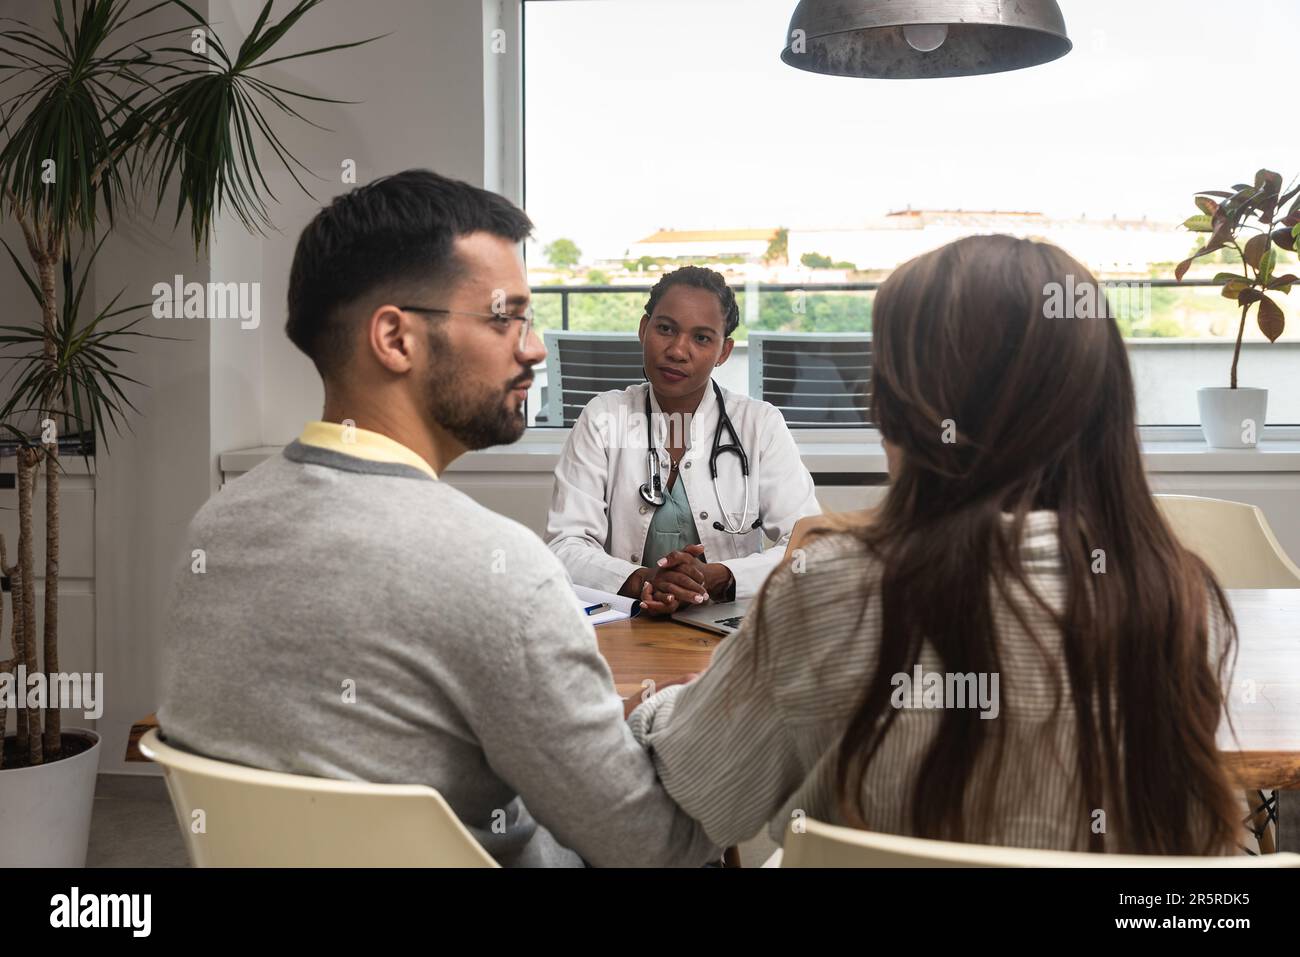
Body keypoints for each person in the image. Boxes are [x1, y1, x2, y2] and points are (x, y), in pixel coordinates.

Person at [158, 169, 717, 868]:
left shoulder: (214, 528)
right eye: (503, 316)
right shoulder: (501, 571)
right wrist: (689, 723)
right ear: (395, 338)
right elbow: (650, 847)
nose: (535, 346)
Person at [627, 235, 1243, 856]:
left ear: (899, 411)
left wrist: (663, 704)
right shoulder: (1174, 596)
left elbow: (692, 789)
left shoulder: (830, 591)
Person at [547, 266, 821, 615]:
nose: (677, 350)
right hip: (628, 629)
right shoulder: (603, 418)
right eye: (665, 329)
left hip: (731, 631)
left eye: (702, 338)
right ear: (644, 329)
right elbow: (564, 546)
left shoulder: (759, 424)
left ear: (724, 352)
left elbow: (810, 548)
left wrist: (720, 576)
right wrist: (641, 580)